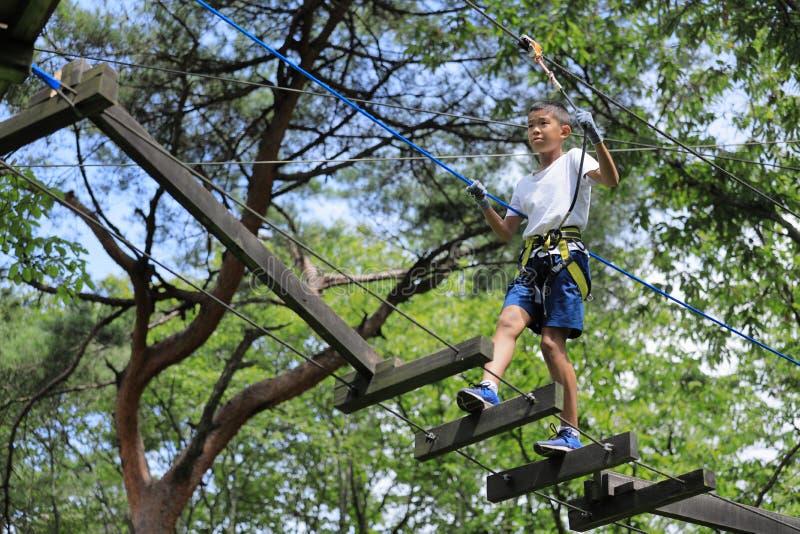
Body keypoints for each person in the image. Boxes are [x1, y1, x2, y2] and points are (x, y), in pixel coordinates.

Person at [457, 100, 619, 456]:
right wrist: (485, 204)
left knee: (550, 345)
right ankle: (488, 387)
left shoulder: (576, 158)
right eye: (530, 125)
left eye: (543, 123)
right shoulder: (524, 184)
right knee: (508, 320)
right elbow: (505, 232)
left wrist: (597, 139)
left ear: (564, 131)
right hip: (532, 261)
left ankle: (570, 430)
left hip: (566, 258)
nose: (534, 130)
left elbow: (610, 179)